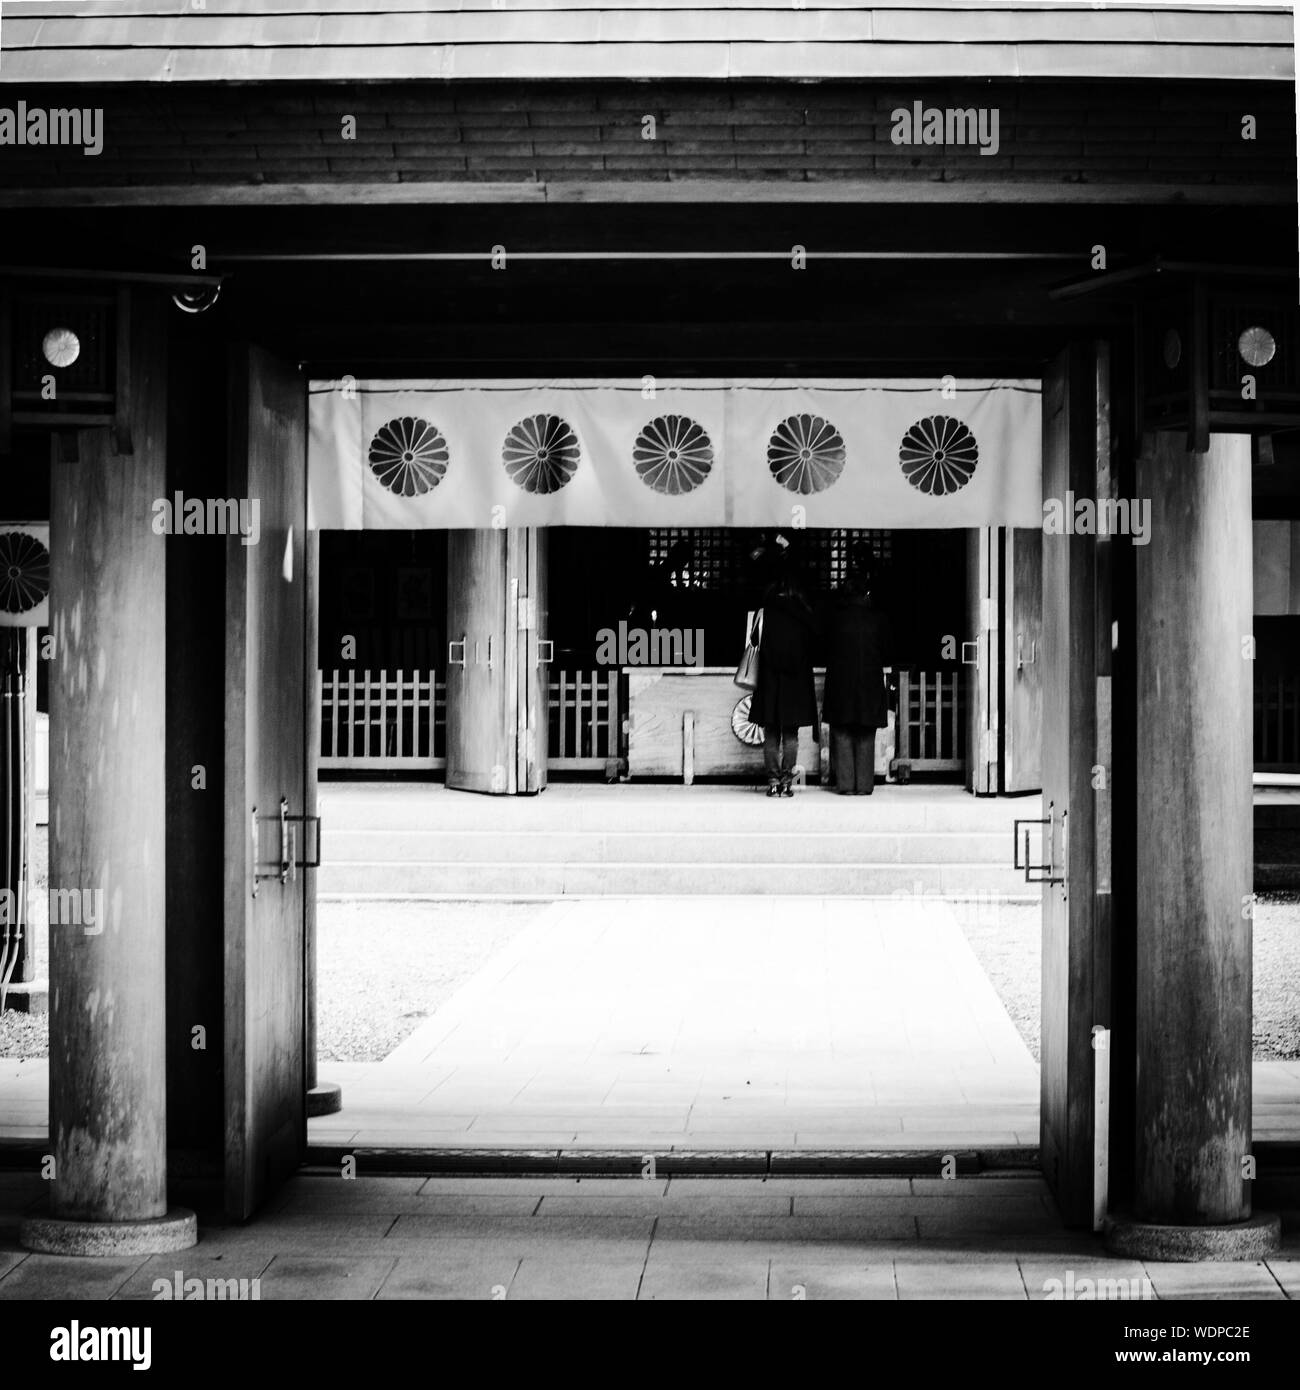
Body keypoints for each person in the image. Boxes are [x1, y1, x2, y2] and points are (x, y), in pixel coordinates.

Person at [822, 551, 893, 795]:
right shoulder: (878, 619)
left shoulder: (834, 619)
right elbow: (886, 650)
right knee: (865, 733)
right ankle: (864, 785)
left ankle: (845, 785)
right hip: (870, 682)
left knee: (841, 732)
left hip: (840, 683)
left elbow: (824, 647)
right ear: (866, 594)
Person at [752, 568, 818, 797]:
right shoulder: (804, 614)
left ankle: (772, 781)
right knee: (791, 734)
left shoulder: (764, 612)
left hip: (770, 681)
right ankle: (787, 782)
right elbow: (815, 643)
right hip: (796, 683)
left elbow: (753, 640)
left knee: (771, 733)